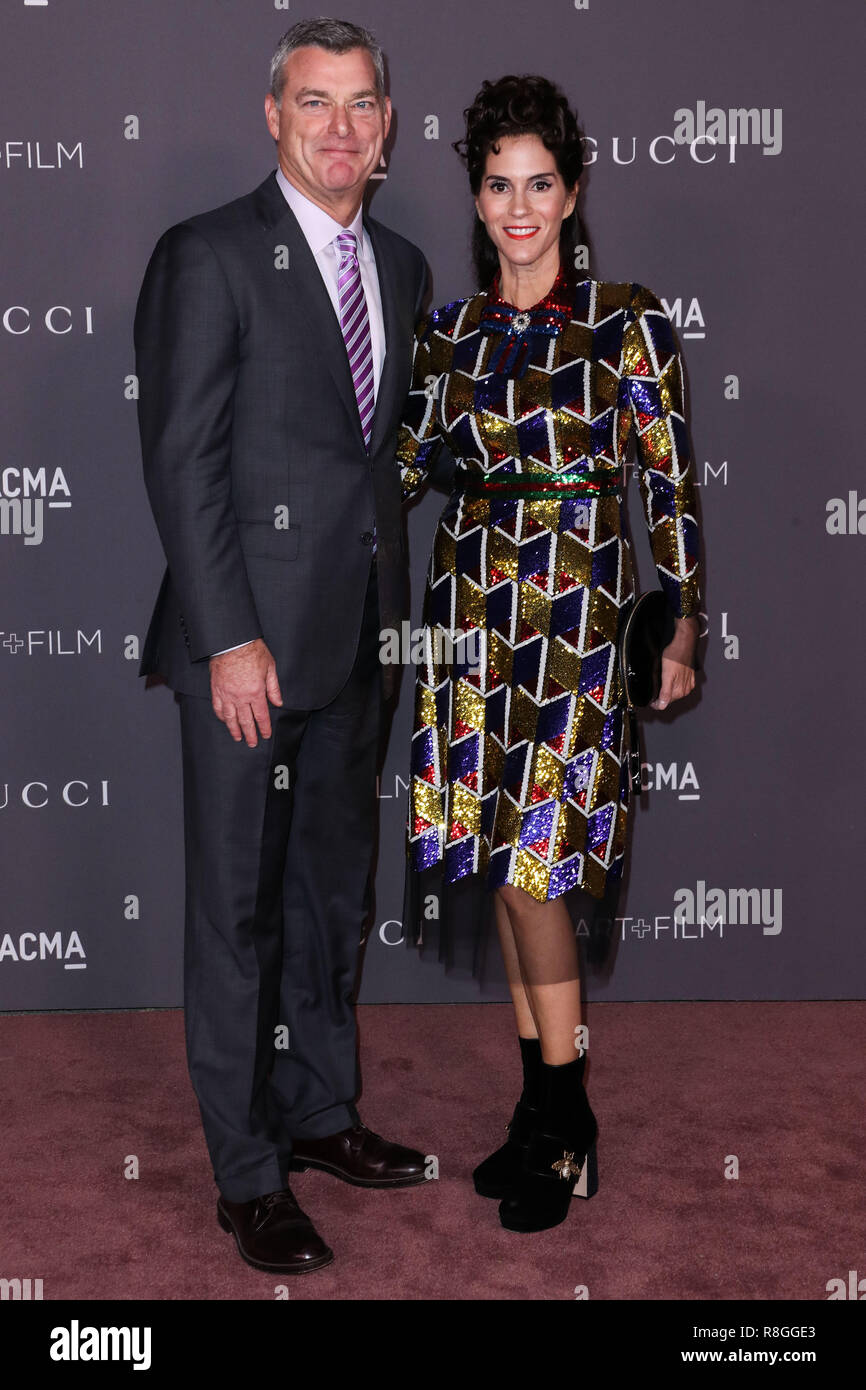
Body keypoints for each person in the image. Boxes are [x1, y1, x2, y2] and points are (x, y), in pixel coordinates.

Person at [133, 19, 430, 1276]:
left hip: (358, 641)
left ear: (387, 123)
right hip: (246, 654)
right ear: (273, 116)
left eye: (361, 105)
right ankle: (246, 1173)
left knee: (327, 899)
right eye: (316, 103)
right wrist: (230, 637)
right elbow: (183, 461)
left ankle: (317, 1112)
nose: (340, 129)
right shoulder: (207, 256)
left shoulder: (406, 266)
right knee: (237, 916)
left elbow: (382, 461)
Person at [396, 74, 702, 1233]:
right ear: (474, 196)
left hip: (575, 630)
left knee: (537, 870)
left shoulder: (625, 321)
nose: (516, 207)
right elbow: (407, 471)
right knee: (502, 869)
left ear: (570, 192)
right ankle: (537, 1115)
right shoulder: (447, 333)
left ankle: (568, 1123)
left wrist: (678, 622)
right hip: (472, 624)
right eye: (494, 185)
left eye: (537, 184)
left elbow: (665, 480)